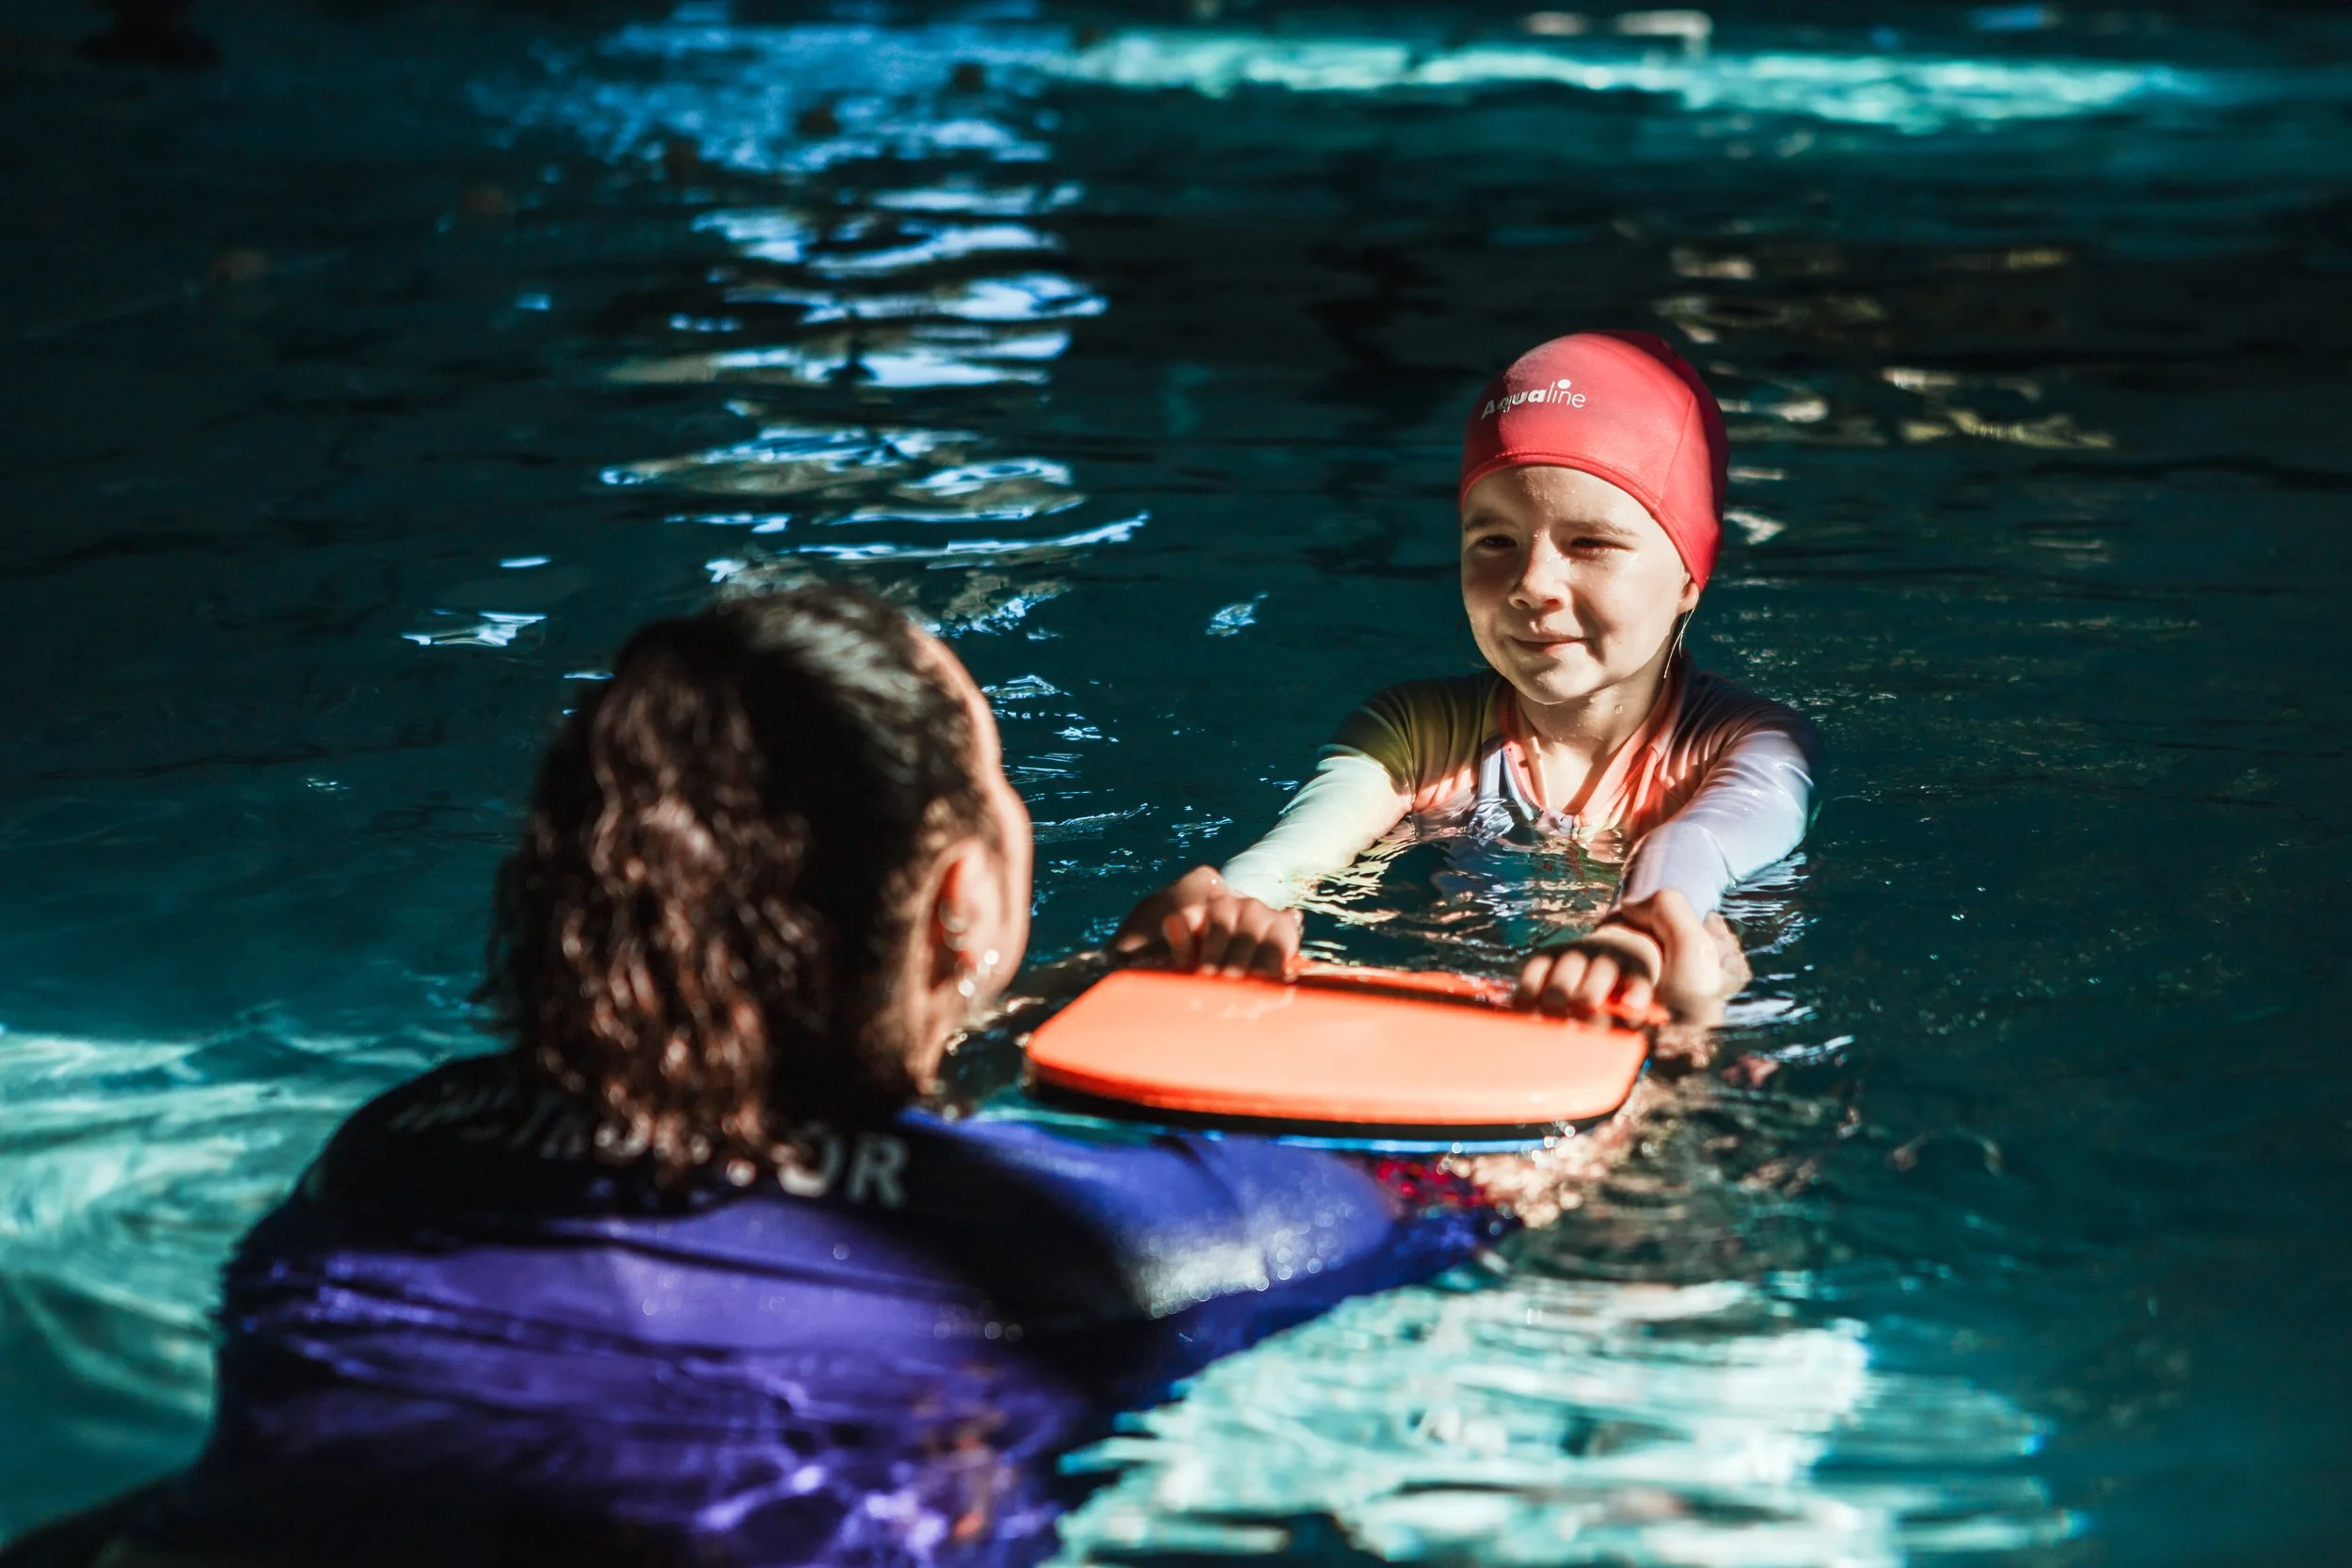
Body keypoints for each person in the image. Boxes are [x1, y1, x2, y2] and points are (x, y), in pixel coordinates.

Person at [24, 587, 1496, 1568]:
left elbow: (748, 1116)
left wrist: (1052, 1002)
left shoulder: (399, 1153)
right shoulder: (1126, 1244)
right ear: (961, 905)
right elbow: (1521, 1176)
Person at [1116, 331, 1820, 1027]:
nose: (1531, 583)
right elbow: (1294, 855)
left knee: (1699, 981)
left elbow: (1696, 848)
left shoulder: (1759, 745)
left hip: (1691, 1041)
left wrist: (1645, 930)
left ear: (1691, 576)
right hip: (1462, 1030)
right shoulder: (1418, 732)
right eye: (1495, 541)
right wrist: (1229, 910)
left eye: (1590, 543)